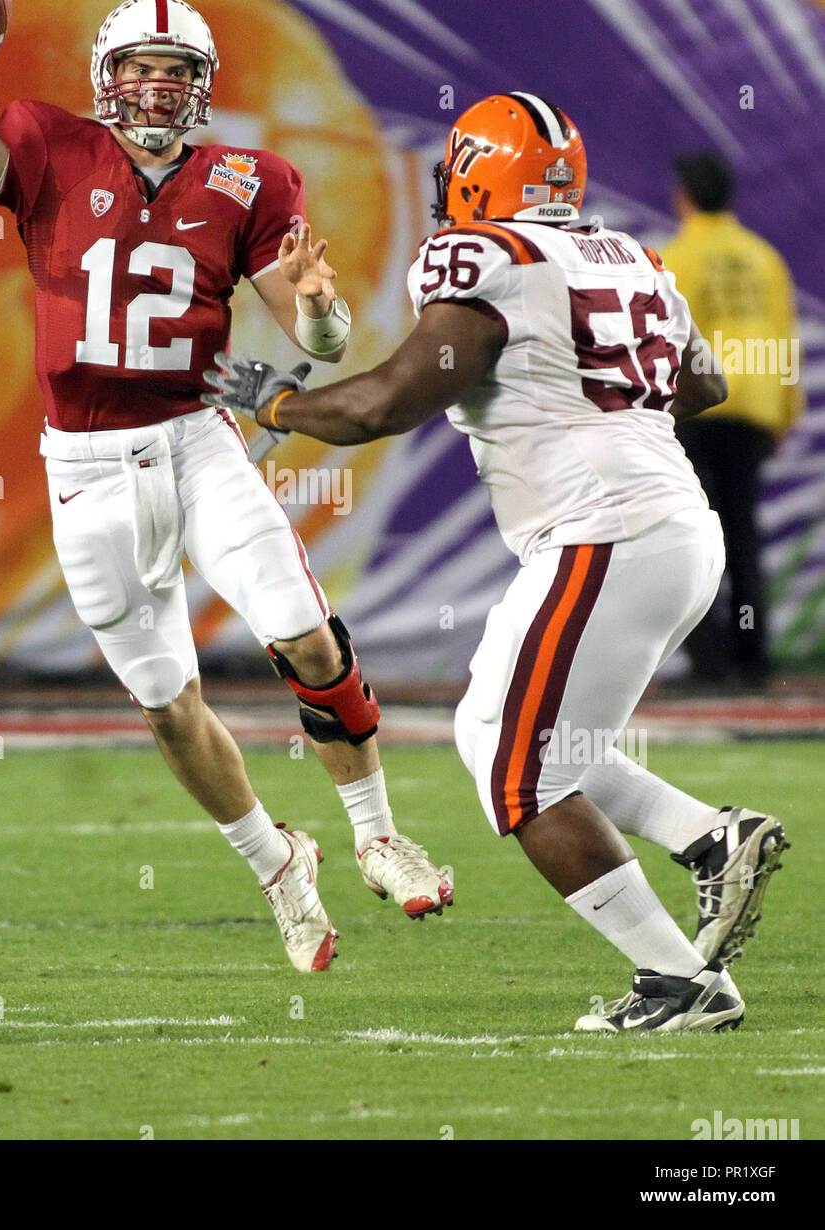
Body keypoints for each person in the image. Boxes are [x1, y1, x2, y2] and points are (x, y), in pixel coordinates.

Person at [0, 0, 452, 974]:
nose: (157, 85)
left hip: (195, 441)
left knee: (302, 630)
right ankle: (277, 865)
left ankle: (374, 832)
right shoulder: (48, 148)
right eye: (140, 67)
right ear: (106, 79)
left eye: (177, 69)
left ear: (204, 86)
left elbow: (315, 332)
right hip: (85, 465)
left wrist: (319, 312)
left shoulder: (250, 178)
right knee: (163, 698)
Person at [205, 92, 789, 1031]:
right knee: (497, 735)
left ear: (479, 173)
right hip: (670, 527)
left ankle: (682, 970)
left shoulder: (484, 256)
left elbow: (388, 402)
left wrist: (278, 407)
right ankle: (704, 846)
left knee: (523, 781)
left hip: (606, 536)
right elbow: (705, 382)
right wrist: (591, 407)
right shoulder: (628, 252)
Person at [664, 151, 803, 690]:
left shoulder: (677, 257)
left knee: (694, 536)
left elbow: (667, 340)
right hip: (755, 407)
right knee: (743, 532)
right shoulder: (763, 257)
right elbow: (783, 337)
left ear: (685, 197)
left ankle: (709, 662)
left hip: (698, 406)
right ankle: (754, 660)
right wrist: (785, 412)